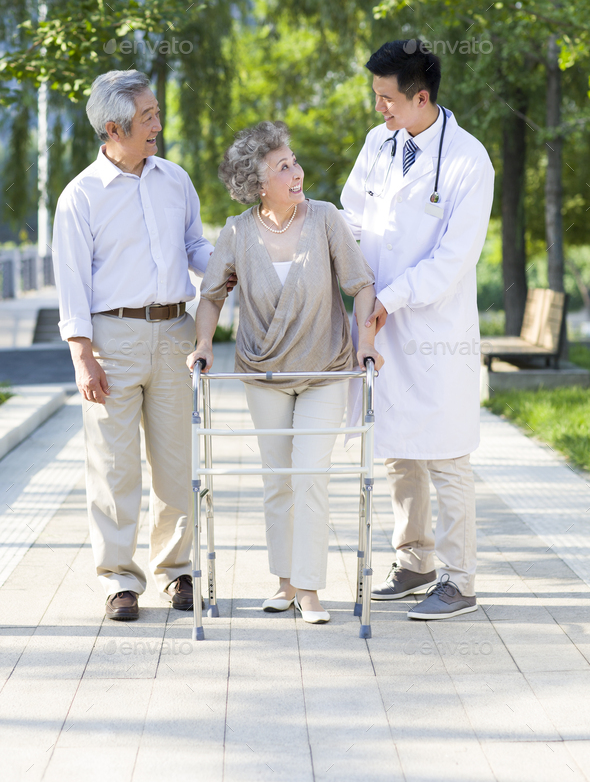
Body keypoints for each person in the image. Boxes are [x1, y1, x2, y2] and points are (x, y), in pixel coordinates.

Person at [187, 121, 383, 624]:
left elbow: (360, 284)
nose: (296, 173)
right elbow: (211, 295)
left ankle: (312, 590)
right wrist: (204, 343)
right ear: (258, 184)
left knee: (310, 475)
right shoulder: (236, 230)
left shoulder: (326, 220)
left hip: (324, 366)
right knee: (277, 479)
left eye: (293, 162)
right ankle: (285, 583)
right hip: (262, 370)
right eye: (283, 167)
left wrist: (366, 341)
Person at [53, 69, 226, 622]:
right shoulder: (80, 197)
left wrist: (230, 267)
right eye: (148, 116)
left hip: (176, 332)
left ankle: (177, 572)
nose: (159, 123)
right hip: (113, 340)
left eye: (155, 112)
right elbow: (72, 281)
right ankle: (119, 581)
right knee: (114, 467)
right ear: (114, 128)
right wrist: (82, 355)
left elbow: (196, 245)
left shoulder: (174, 179)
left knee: (177, 463)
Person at [341, 40, 494, 620]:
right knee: (397, 451)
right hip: (380, 323)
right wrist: (355, 281)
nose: (378, 109)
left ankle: (461, 580)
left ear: (421, 97)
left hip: (435, 329)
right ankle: (415, 561)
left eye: (387, 99)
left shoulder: (467, 161)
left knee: (447, 454)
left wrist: (390, 298)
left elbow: (454, 260)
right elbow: (353, 214)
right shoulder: (382, 142)